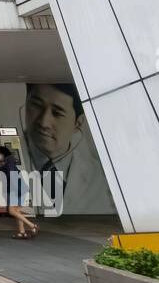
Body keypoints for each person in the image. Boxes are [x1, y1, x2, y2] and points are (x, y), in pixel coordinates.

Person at [23, 82, 116, 216]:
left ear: (78, 122)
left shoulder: (101, 180)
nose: (44, 122)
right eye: (36, 105)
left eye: (57, 113)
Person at [0, 146, 36, 239]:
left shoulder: (8, 162)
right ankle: (22, 232)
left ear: (3, 153)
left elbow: (11, 176)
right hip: (20, 189)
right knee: (17, 211)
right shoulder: (9, 162)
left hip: (14, 190)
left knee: (11, 211)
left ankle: (32, 226)